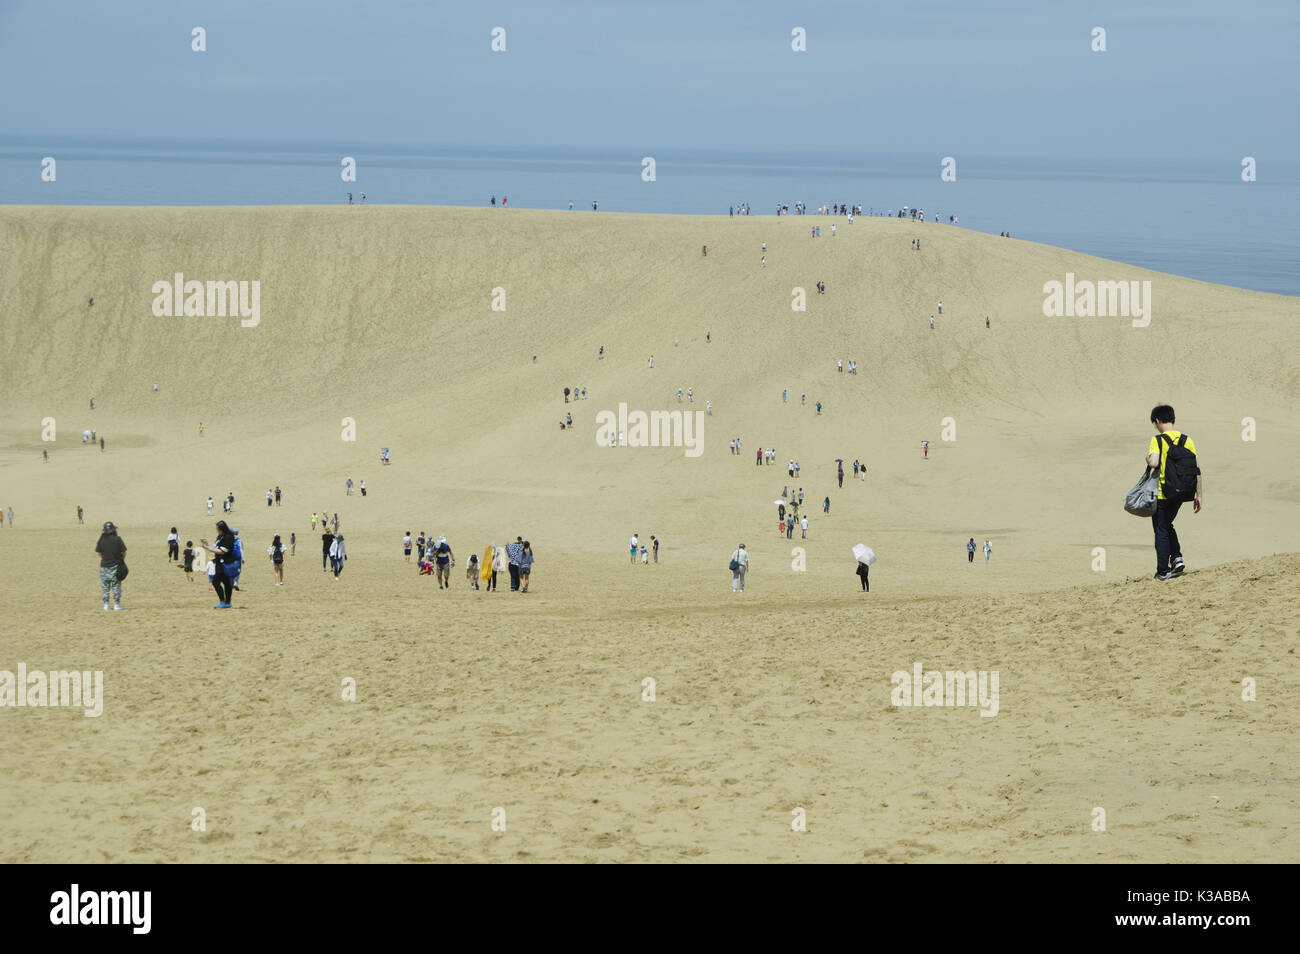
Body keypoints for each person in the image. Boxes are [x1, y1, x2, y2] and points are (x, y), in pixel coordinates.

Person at [1146, 404, 1202, 580]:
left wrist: (1147, 458)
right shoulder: (1187, 440)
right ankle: (1176, 558)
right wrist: (1199, 495)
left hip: (1163, 493)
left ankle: (1162, 571)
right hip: (1182, 493)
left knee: (1161, 528)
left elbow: (1154, 463)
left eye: (1155, 424)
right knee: (1167, 524)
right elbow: (1196, 469)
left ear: (1158, 421)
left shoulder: (1158, 440)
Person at [95, 520, 127, 611]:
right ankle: (116, 604)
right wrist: (121, 560)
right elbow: (124, 552)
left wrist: (105, 558)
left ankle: (106, 605)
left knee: (105, 586)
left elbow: (99, 553)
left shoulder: (101, 540)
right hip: (116, 566)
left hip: (104, 566)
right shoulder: (118, 539)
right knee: (116, 585)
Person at [206, 520, 237, 608]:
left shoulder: (228, 537)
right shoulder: (220, 536)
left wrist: (209, 549)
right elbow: (216, 546)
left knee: (216, 581)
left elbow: (223, 551)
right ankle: (227, 602)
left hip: (225, 563)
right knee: (226, 582)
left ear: (222, 529)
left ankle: (223, 602)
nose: (217, 530)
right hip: (219, 562)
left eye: (218, 529)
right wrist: (208, 546)